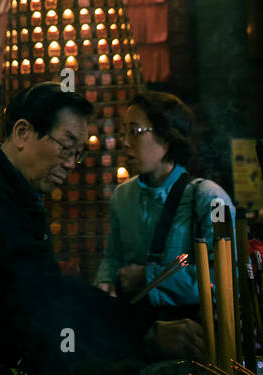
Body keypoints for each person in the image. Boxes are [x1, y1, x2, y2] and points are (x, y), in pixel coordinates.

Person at [0, 82, 205, 375]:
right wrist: (144, 329)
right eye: (65, 146)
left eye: (77, 153)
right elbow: (38, 291)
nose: (70, 164)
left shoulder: (13, 188)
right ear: (22, 133)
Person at [95, 91, 232, 317]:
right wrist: (104, 284)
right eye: (124, 132)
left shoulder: (210, 199)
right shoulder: (122, 196)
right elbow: (113, 256)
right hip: (138, 329)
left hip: (195, 334)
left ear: (166, 138)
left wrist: (147, 278)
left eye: (135, 132)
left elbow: (227, 278)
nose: (126, 142)